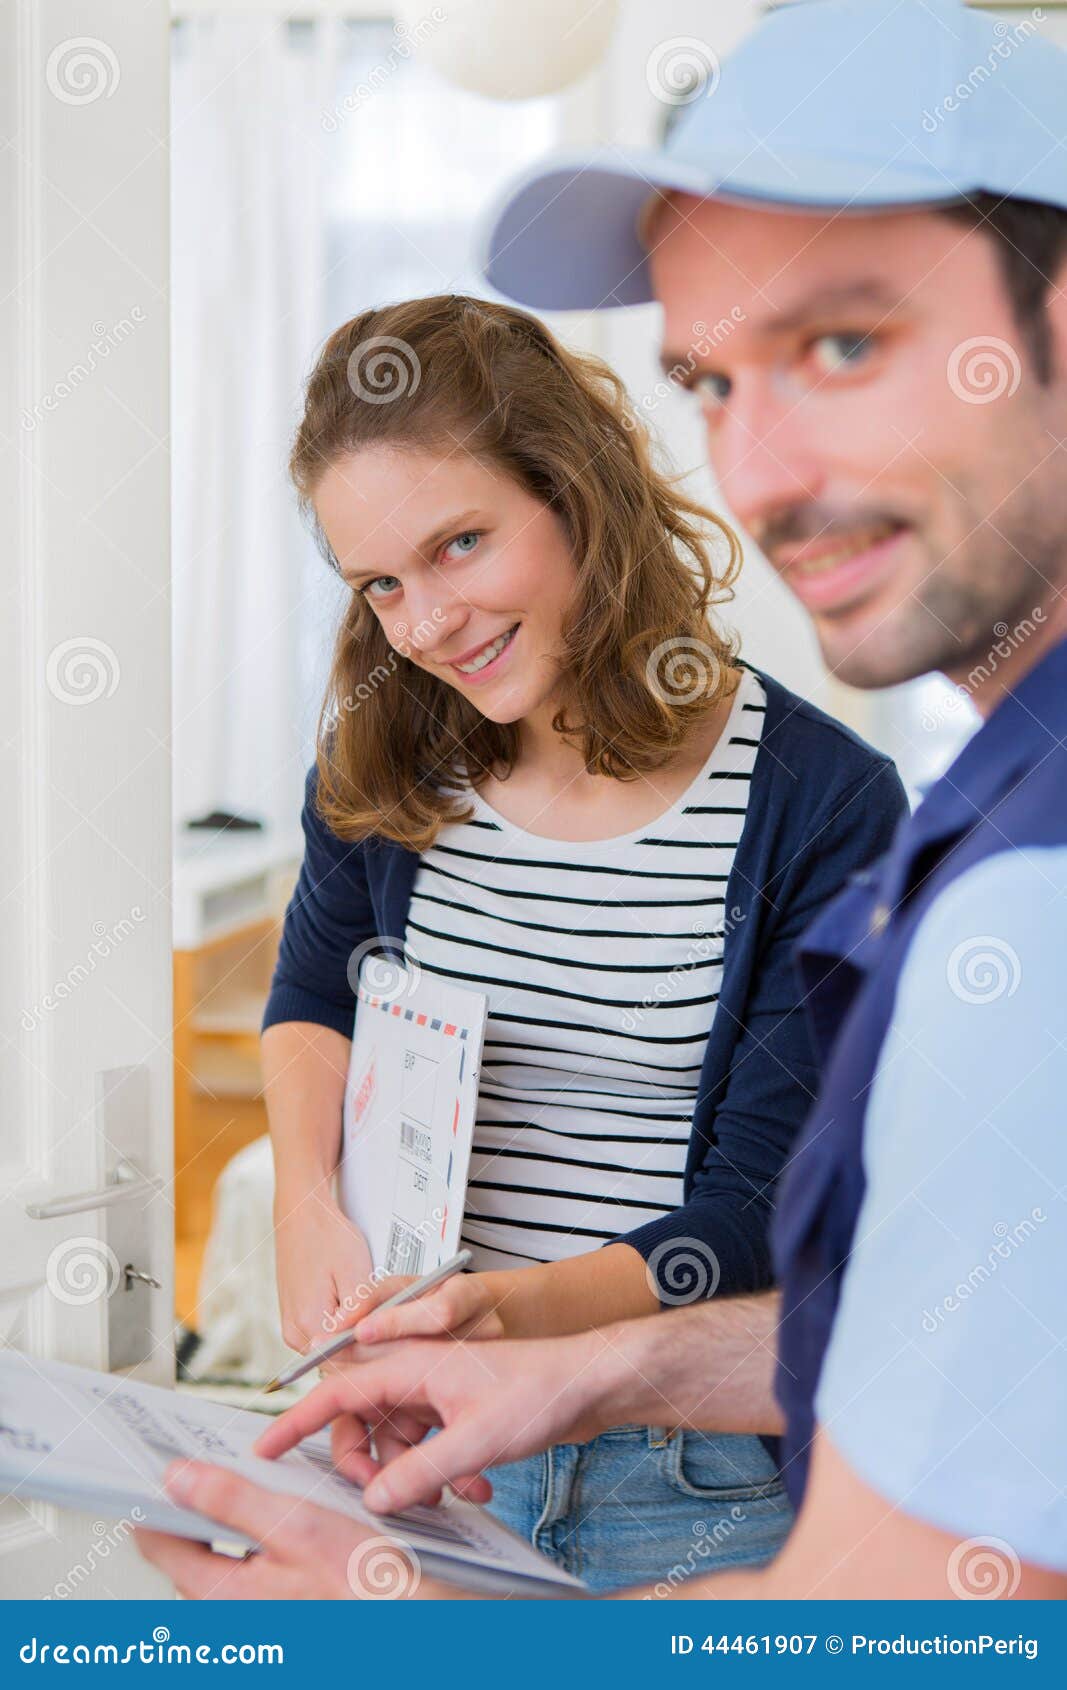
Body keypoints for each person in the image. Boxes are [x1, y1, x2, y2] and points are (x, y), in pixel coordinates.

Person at [137, 0, 1067, 1599]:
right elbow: (912, 1368)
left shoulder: (958, 867)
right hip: (474, 1418)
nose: (762, 472)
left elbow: (907, 1627)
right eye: (714, 380)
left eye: (847, 344)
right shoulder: (985, 830)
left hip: (674, 1481)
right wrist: (544, 1352)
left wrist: (403, 1639)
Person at [249, 290, 903, 1590]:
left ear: (578, 496)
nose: (426, 625)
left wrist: (512, 1321)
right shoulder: (387, 757)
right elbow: (316, 991)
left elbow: (754, 1212)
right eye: (381, 584)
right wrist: (302, 1200)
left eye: (460, 545)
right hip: (425, 1451)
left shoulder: (821, 804)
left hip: (689, 1475)